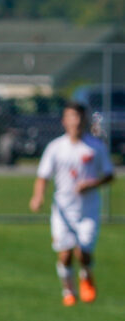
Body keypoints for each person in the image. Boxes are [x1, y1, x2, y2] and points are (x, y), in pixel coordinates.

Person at [29, 101, 114, 306]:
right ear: (64, 121)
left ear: (84, 120)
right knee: (65, 253)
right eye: (70, 117)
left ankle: (86, 276)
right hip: (63, 209)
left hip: (88, 209)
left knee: (83, 252)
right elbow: (43, 176)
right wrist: (38, 196)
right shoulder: (56, 148)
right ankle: (68, 290)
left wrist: (92, 184)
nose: (74, 121)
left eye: (78, 117)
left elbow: (109, 175)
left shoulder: (95, 147)